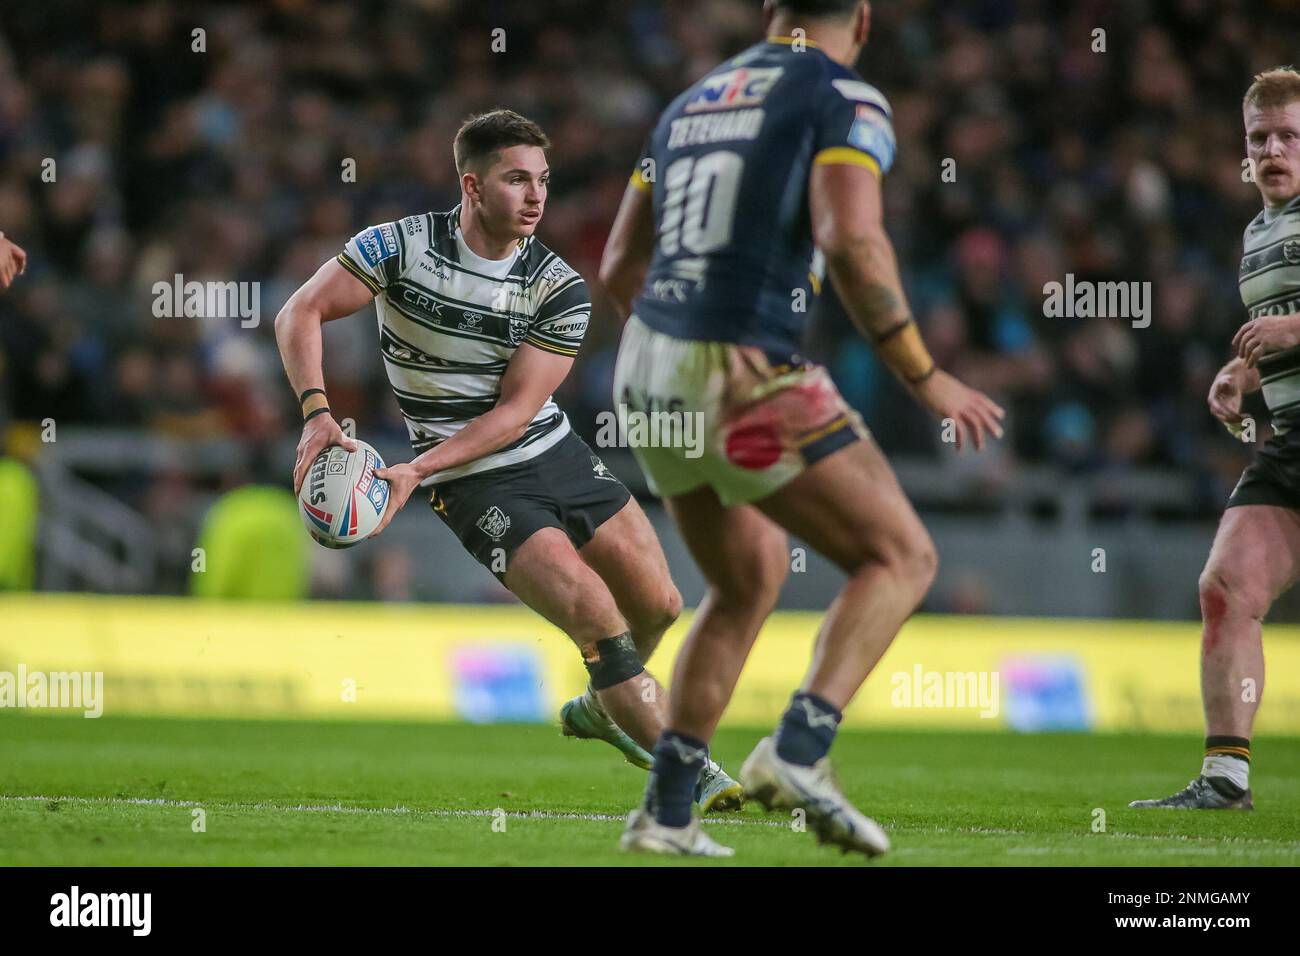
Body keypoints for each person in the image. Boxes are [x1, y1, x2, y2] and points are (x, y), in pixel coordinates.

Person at [598, 0, 1004, 856]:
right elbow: (851, 240)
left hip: (646, 370)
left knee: (744, 581)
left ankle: (667, 812)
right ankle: (800, 749)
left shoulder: (691, 102)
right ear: (862, 15)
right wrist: (925, 377)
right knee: (902, 555)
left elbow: (618, 267)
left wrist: (683, 340)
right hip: (742, 368)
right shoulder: (843, 95)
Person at [274, 109, 743, 813]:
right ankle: (689, 769)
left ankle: (598, 708)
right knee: (596, 619)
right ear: (471, 184)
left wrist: (411, 470)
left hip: (547, 450)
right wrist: (315, 416)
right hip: (468, 479)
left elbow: (515, 414)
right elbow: (298, 312)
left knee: (661, 604)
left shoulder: (557, 288)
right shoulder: (400, 248)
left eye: (543, 180)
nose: (535, 196)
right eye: (516, 178)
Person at [1131, 67, 1300, 811]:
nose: (1273, 149)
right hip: (1292, 441)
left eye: (1290, 135)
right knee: (1226, 589)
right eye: (1259, 137)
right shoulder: (1259, 232)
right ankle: (1226, 779)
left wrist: (1291, 329)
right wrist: (1244, 373)